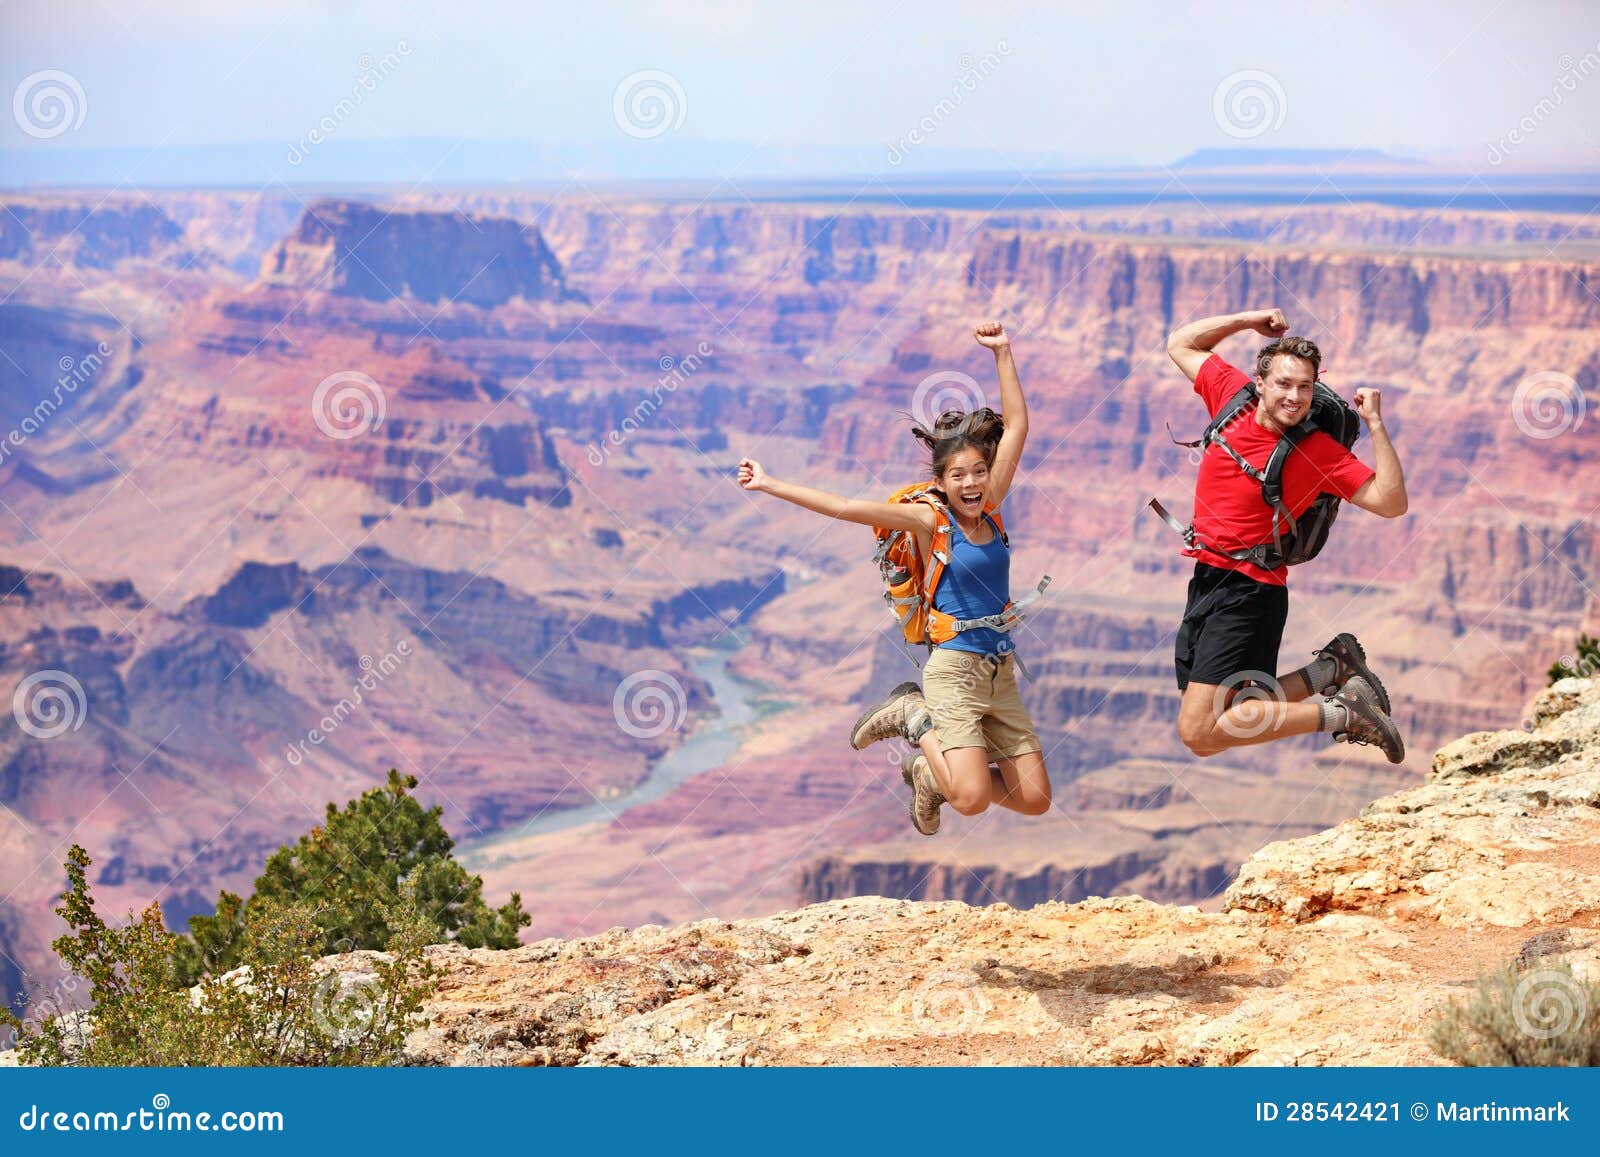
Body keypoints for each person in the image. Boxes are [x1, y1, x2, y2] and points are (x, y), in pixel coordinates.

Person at [737, 321, 1050, 835]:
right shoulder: (932, 522)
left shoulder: (992, 508)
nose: (970, 483)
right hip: (952, 670)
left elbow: (1017, 426)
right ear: (942, 483)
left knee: (1035, 799)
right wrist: (770, 483)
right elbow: (844, 507)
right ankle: (915, 717)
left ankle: (931, 774)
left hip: (1000, 671)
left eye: (978, 471)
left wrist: (1003, 352)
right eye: (958, 476)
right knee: (970, 800)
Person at [1162, 307, 1409, 763]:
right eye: (1283, 383)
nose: (1294, 396)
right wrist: (1249, 320)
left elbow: (1391, 502)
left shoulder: (1316, 451)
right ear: (1260, 383)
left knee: (1199, 732)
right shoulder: (1230, 398)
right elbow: (1181, 343)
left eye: (1305, 387)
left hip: (1250, 591)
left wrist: (1375, 424)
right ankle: (1332, 669)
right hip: (1207, 578)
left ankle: (1346, 713)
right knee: (1241, 712)